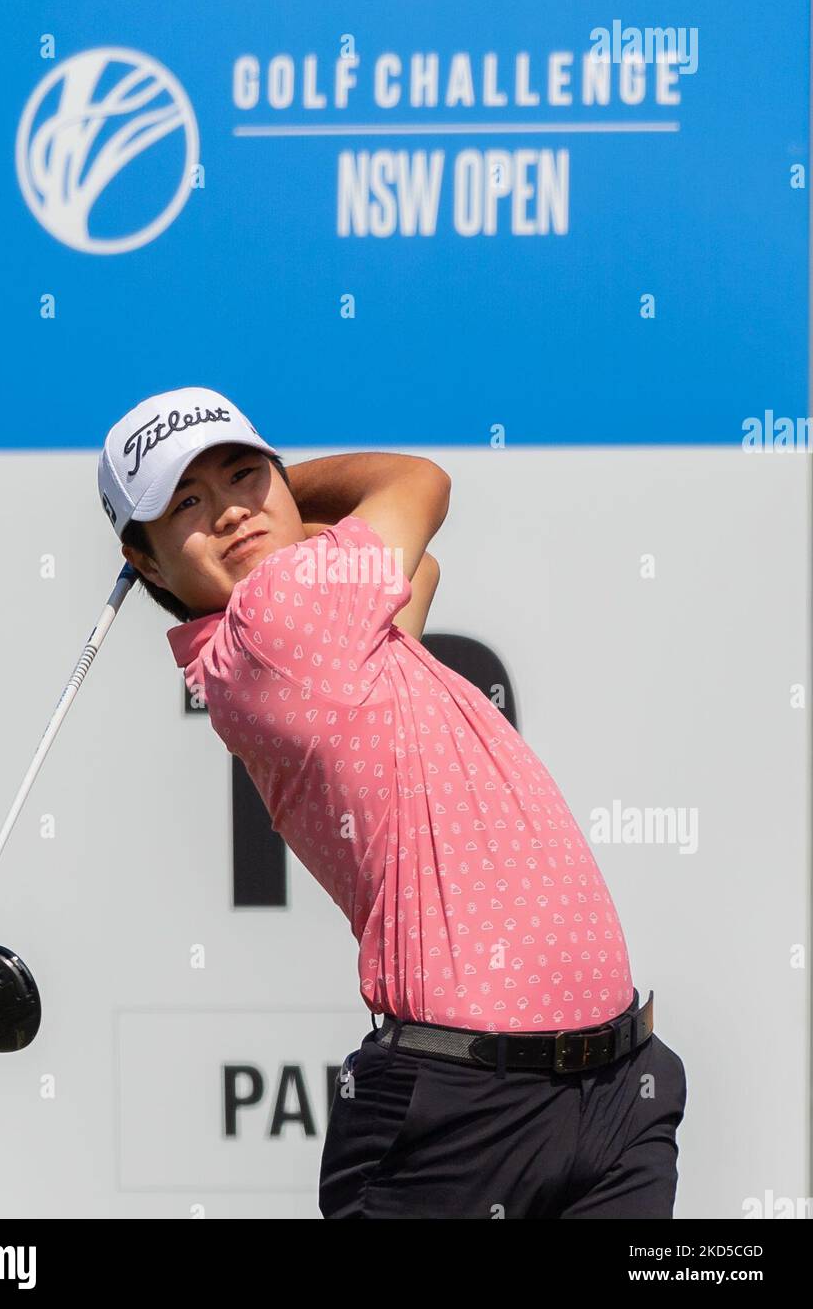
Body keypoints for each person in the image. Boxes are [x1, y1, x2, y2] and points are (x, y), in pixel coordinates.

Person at [98, 385, 687, 1219]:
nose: (230, 511)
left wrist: (268, 507)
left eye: (242, 475)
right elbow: (418, 483)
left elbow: (419, 575)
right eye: (187, 503)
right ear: (148, 563)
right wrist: (286, 493)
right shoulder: (275, 619)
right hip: (465, 1115)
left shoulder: (308, 637)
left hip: (614, 1088)